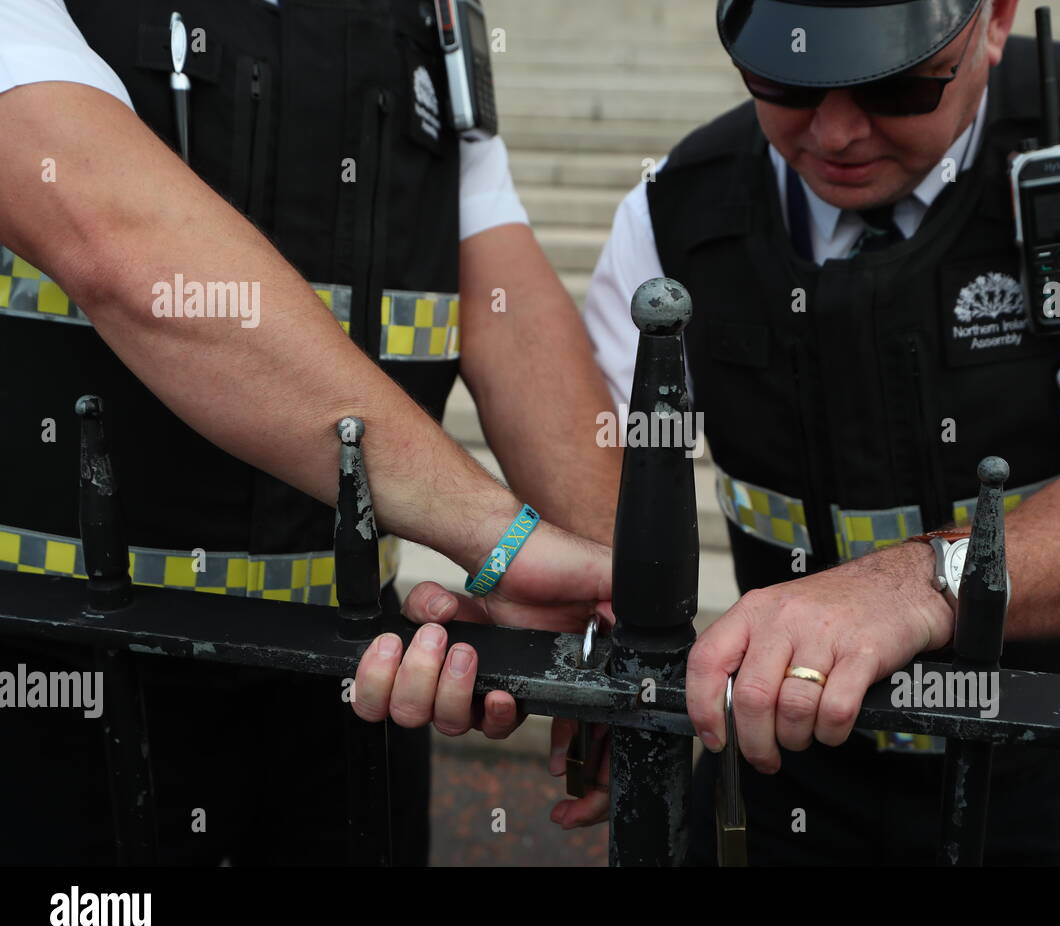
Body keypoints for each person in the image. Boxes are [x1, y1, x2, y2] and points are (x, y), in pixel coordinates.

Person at [568, 0, 1060, 864]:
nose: (834, 131)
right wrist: (579, 613)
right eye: (784, 83)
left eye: (895, 86)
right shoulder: (679, 202)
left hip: (1053, 760)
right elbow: (591, 460)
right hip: (790, 763)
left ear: (996, 20)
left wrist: (917, 583)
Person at [0, 0, 617, 864]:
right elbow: (115, 237)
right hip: (62, 673)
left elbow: (501, 295)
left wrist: (617, 615)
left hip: (354, 677)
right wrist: (500, 536)